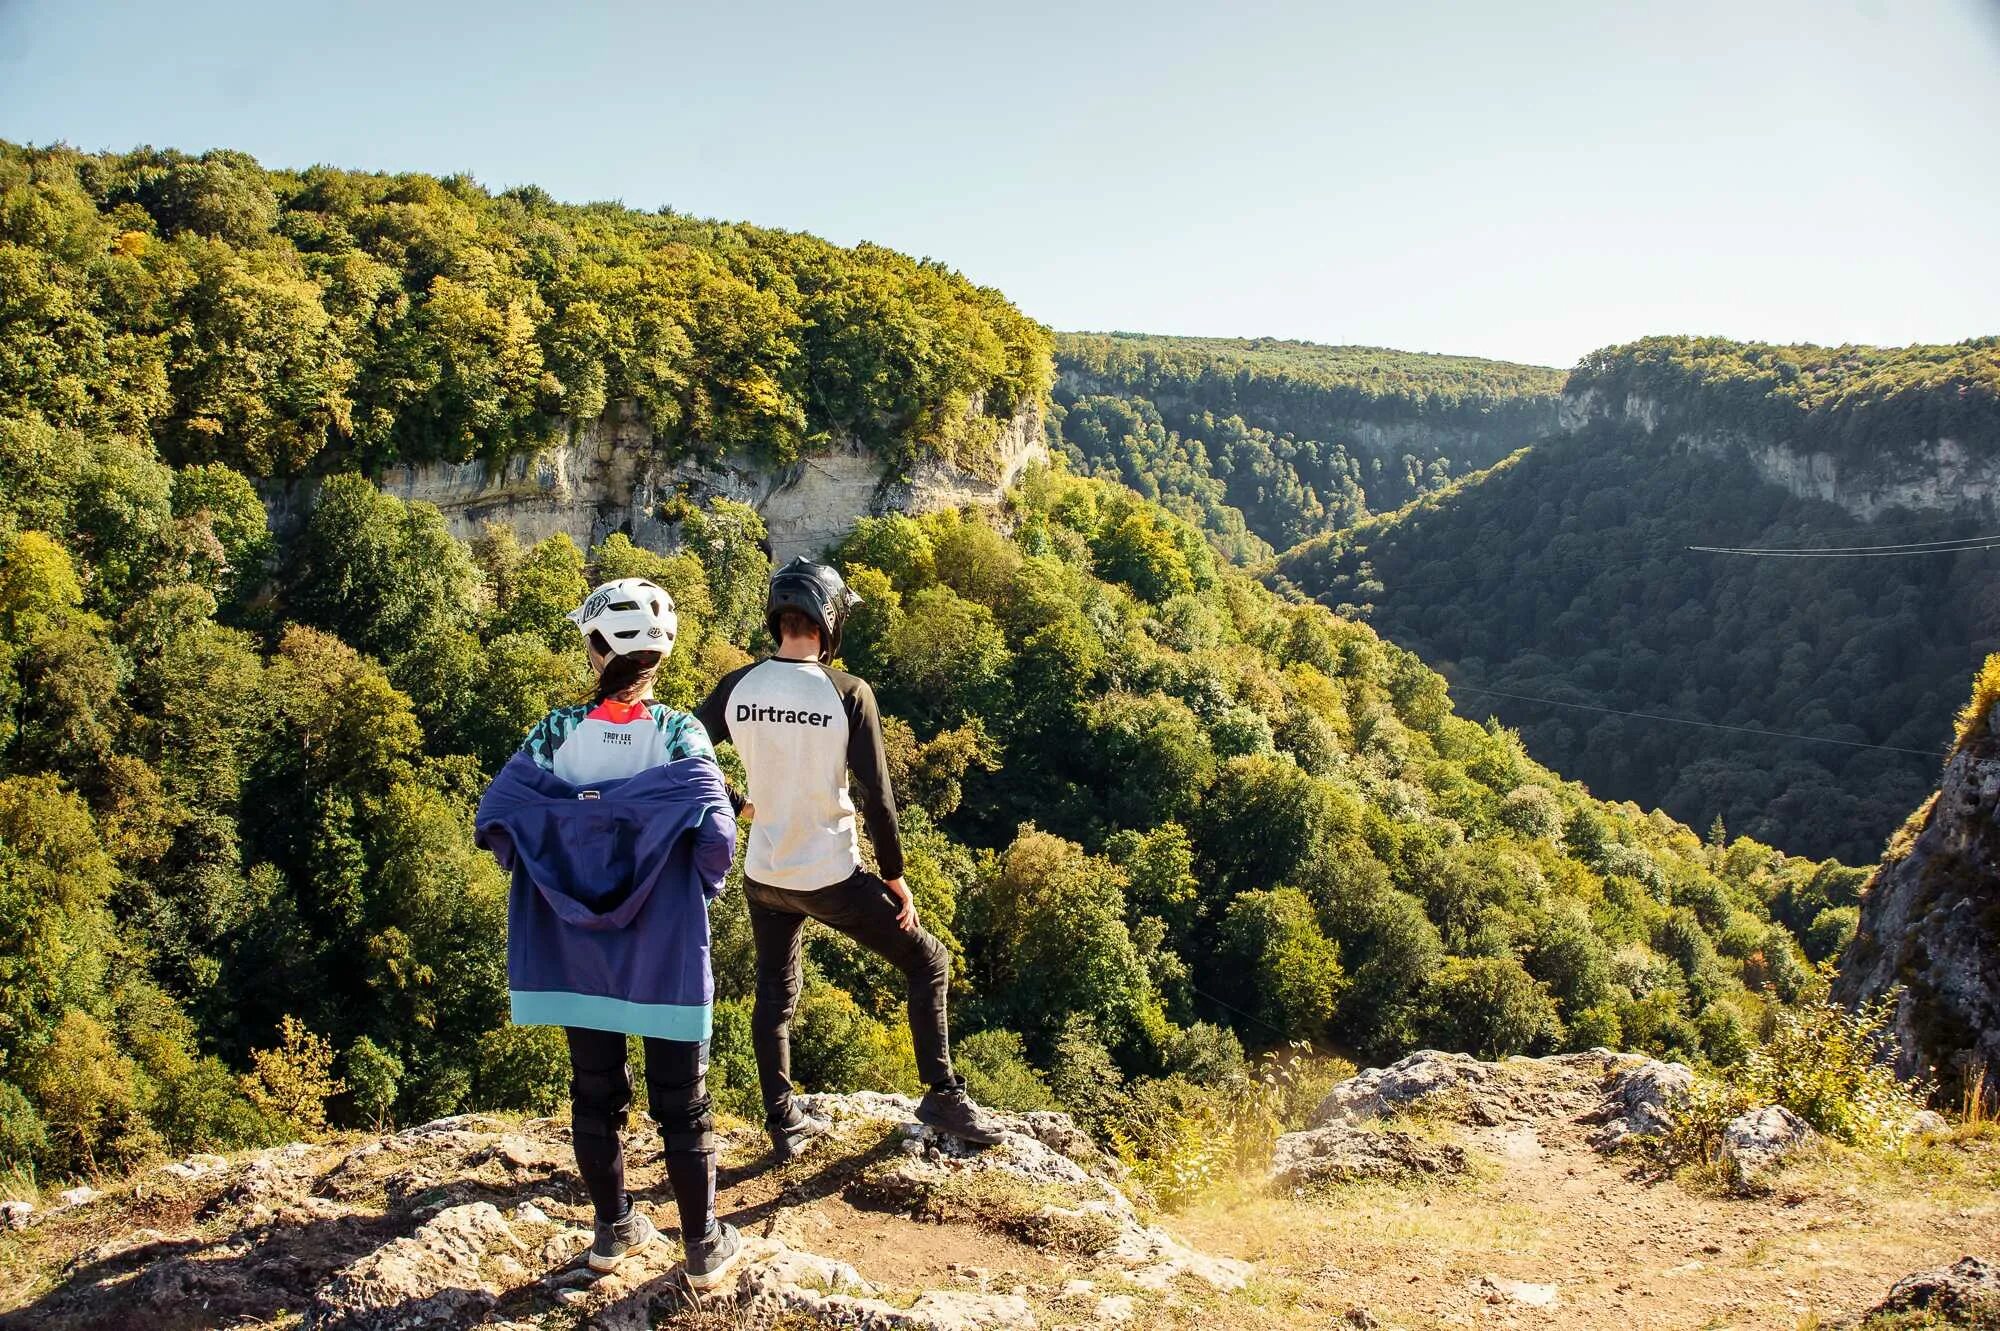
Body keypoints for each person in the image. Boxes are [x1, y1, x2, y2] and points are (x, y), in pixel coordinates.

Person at [475, 577, 743, 1285]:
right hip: (664, 944)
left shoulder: (555, 734)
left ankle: (612, 1227)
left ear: (596, 649)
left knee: (594, 1090)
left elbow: (498, 816)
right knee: (682, 1099)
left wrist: (552, 869)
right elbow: (716, 831)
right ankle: (702, 1244)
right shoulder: (680, 732)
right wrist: (695, 886)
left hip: (574, 950)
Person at [696, 557, 1004, 1159]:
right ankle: (942, 1093)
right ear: (829, 619)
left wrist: (737, 803)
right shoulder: (848, 694)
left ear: (779, 618)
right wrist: (895, 877)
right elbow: (878, 799)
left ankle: (783, 1121)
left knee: (774, 995)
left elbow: (681, 754)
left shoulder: (739, 686)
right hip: (830, 873)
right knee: (930, 963)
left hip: (763, 874)